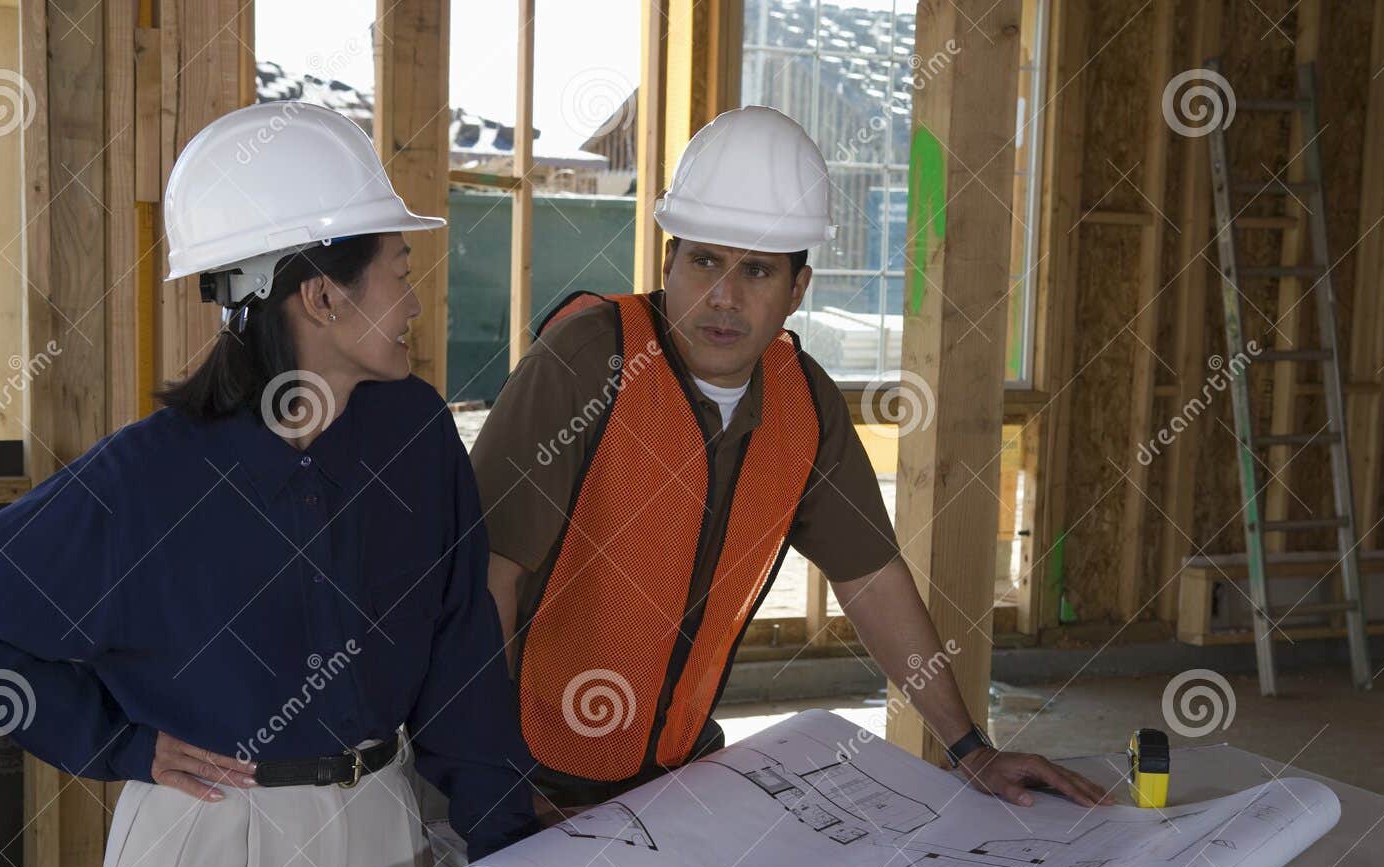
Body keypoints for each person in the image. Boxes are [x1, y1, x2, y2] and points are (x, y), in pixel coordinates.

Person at [0, 101, 534, 867]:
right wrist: (115, 743)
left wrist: (505, 836)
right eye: (397, 266)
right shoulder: (151, 475)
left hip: (384, 829)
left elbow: (460, 647)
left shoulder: (417, 435)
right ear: (321, 296)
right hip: (214, 844)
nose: (416, 294)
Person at [472, 105, 1114, 824]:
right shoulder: (588, 361)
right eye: (705, 261)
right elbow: (488, 581)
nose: (724, 297)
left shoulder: (803, 402)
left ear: (797, 290)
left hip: (675, 775)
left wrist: (970, 747)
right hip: (533, 771)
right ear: (668, 261)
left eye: (757, 271)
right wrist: (495, 782)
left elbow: (871, 579)